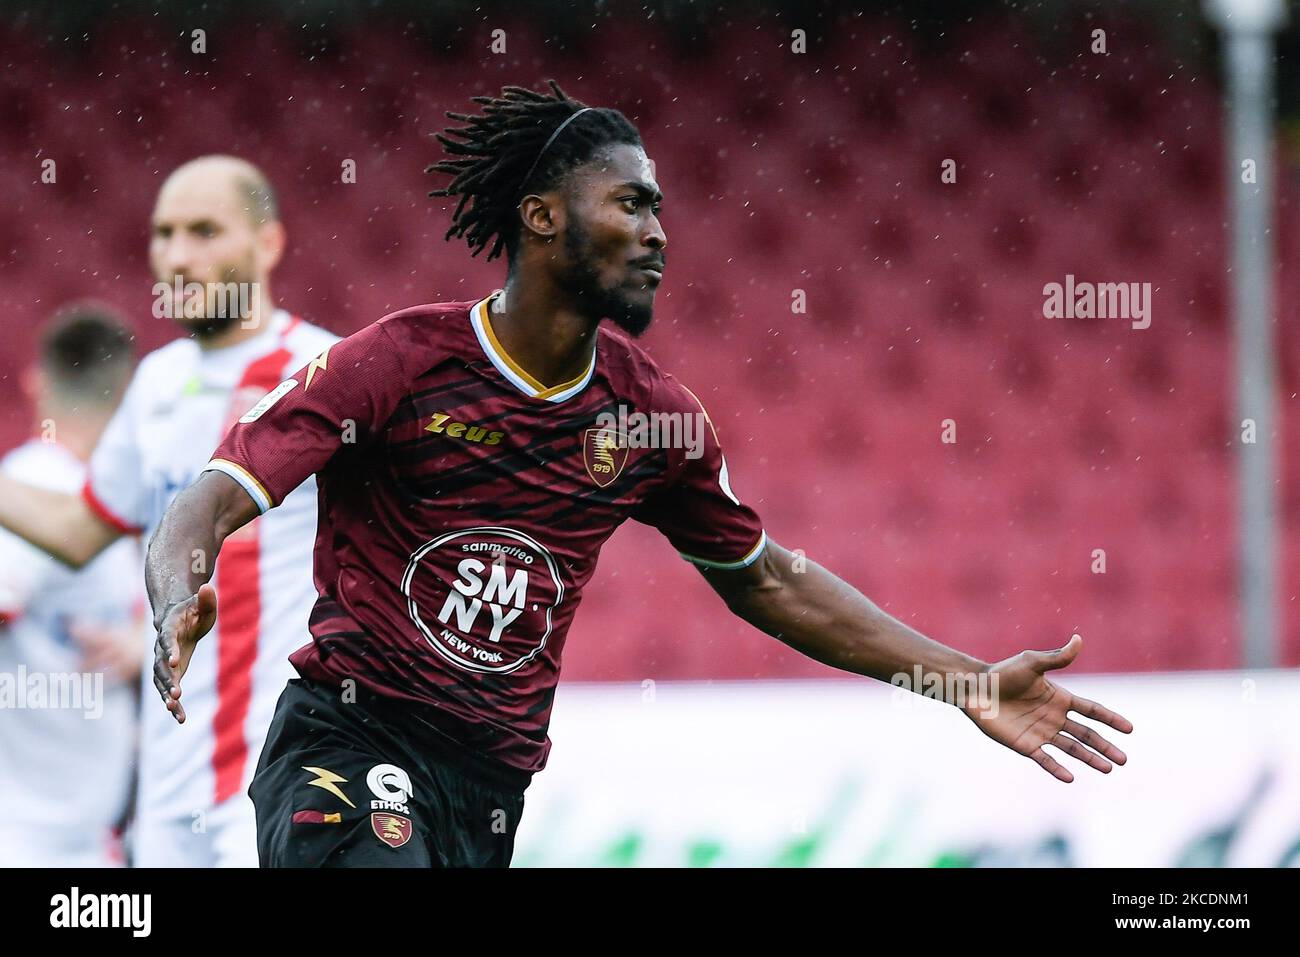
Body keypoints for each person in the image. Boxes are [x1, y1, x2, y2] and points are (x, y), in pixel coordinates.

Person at [145, 82, 1133, 869]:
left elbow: (764, 579)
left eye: (659, 208)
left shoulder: (652, 419)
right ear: (540, 216)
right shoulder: (397, 363)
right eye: (630, 203)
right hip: (348, 748)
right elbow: (209, 497)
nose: (659, 232)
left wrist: (959, 682)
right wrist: (180, 574)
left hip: (487, 794)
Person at [0, 156, 336, 866]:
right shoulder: (157, 383)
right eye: (164, 233)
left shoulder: (326, 373)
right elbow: (80, 529)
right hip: (167, 780)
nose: (177, 256)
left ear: (267, 245)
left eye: (205, 231)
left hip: (280, 767)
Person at [0, 304, 140, 867]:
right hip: (29, 836)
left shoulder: (98, 501)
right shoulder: (34, 486)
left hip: (77, 837)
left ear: (37, 383)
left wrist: (136, 642)